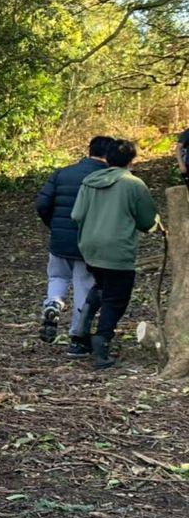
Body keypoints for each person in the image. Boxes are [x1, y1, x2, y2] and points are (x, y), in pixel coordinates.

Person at [71, 139, 161, 368]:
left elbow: (76, 215)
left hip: (90, 247)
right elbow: (147, 220)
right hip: (117, 250)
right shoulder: (134, 184)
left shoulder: (89, 181)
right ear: (132, 160)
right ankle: (101, 345)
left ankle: (81, 330)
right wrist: (157, 227)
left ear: (107, 159)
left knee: (100, 287)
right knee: (116, 299)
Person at [34, 136, 112, 356]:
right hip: (87, 243)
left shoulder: (62, 173)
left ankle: (53, 303)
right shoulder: (105, 178)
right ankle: (78, 340)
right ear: (108, 155)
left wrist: (54, 225)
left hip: (59, 240)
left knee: (57, 277)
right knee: (83, 287)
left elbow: (42, 203)